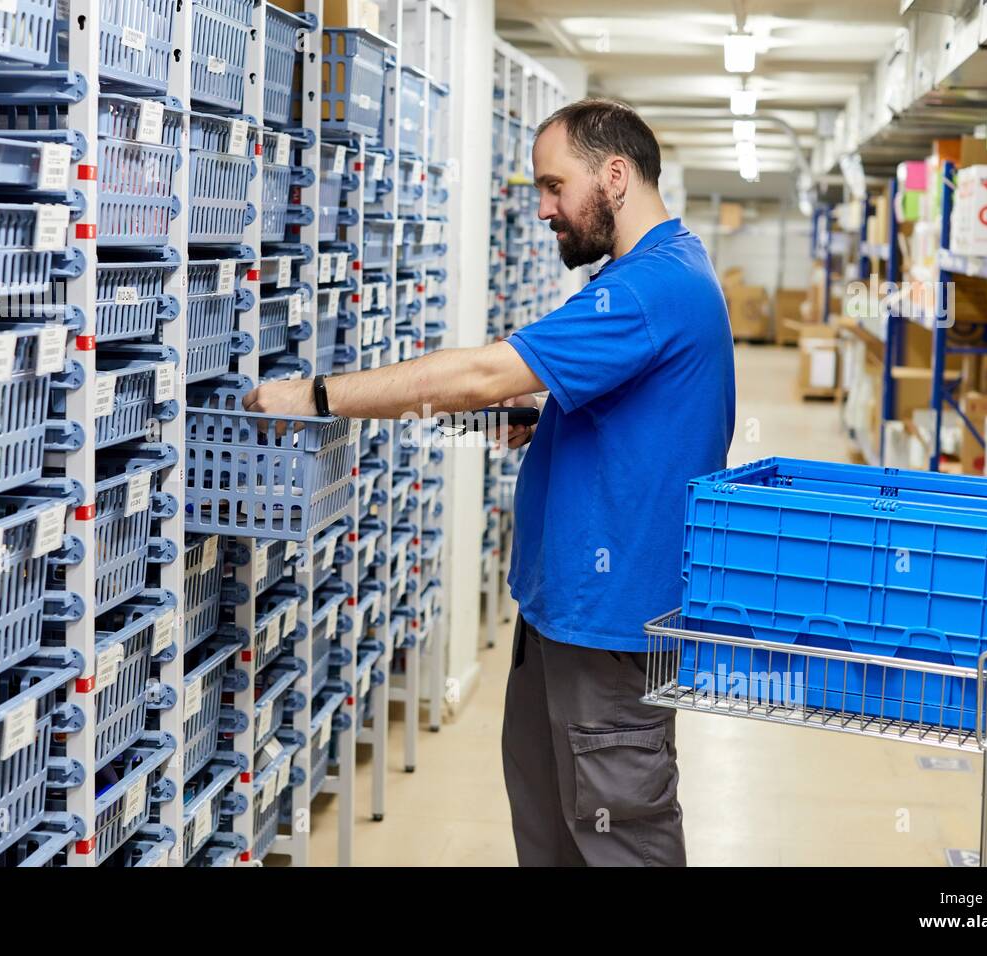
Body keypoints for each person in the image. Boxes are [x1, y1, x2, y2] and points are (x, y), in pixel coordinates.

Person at [244, 98, 735, 866]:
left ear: (614, 175)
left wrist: (317, 396)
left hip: (606, 623)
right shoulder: (655, 273)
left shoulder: (649, 287)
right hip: (562, 614)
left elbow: (480, 374)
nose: (543, 210)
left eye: (553, 185)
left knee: (620, 841)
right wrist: (552, 425)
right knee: (553, 831)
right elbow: (641, 417)